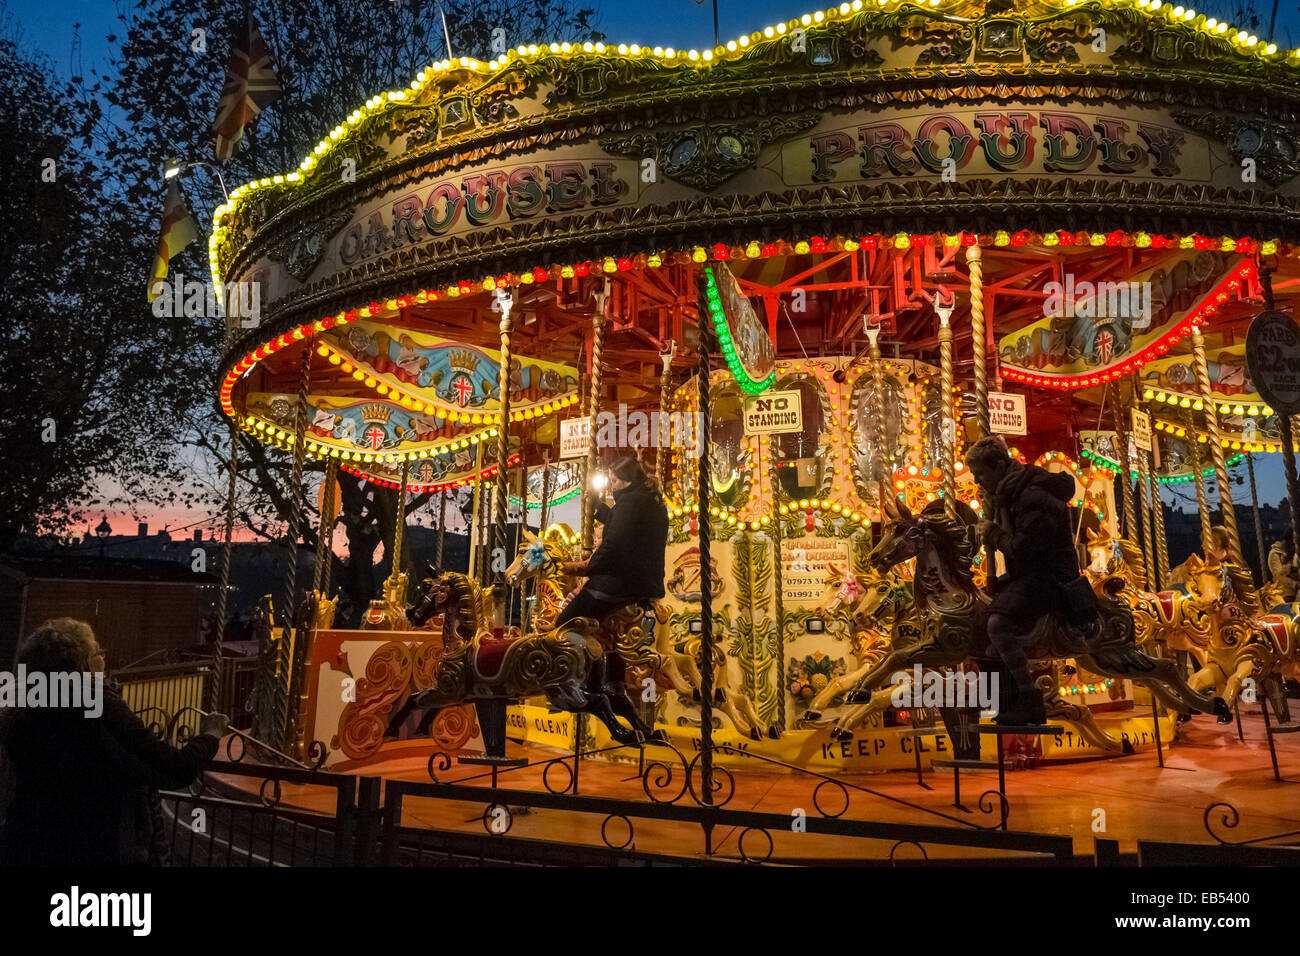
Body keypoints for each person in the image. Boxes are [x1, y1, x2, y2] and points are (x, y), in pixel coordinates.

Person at [0, 618, 228, 866]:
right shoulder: (98, 708)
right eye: (97, 652)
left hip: (28, 839)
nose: (103, 658)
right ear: (84, 665)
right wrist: (210, 735)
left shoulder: (24, 711)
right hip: (93, 844)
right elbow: (175, 767)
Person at [966, 437, 1097, 725]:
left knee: (997, 624)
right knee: (979, 616)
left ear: (1000, 466)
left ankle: (1029, 699)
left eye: (981, 473)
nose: (977, 480)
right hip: (1028, 574)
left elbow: (1023, 548)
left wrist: (992, 534)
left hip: (1051, 577)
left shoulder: (1035, 496)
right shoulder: (1010, 493)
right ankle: (1001, 697)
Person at [555, 456, 669, 627]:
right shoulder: (649, 501)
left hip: (624, 582)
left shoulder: (629, 502)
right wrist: (598, 507)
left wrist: (591, 568)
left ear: (627, 482)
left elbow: (613, 546)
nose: (612, 486)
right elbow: (625, 525)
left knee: (567, 619)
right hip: (648, 581)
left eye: (614, 481)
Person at [1268, 532, 1299, 602]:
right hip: (1284, 591)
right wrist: (1295, 584)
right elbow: (1278, 577)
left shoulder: (1295, 553)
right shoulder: (1275, 554)